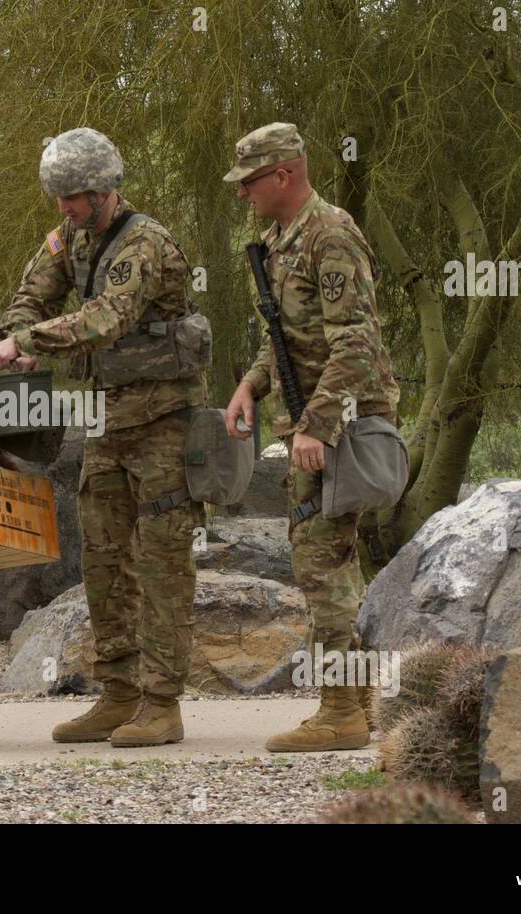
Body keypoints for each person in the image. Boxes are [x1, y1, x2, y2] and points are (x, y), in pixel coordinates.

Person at [0, 128, 209, 747]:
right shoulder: (69, 238)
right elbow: (30, 296)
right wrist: (19, 334)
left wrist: (29, 344)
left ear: (107, 190)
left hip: (164, 423)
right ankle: (119, 693)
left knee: (162, 562)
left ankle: (162, 703)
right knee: (104, 557)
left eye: (75, 197)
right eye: (59, 197)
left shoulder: (146, 243)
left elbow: (108, 317)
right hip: (105, 421)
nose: (65, 208)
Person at [223, 124, 401, 752]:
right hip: (312, 421)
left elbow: (355, 339)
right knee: (329, 561)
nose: (242, 193)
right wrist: (251, 384)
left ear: (283, 175)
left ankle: (340, 712)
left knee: (322, 565)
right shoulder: (276, 243)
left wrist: (318, 427)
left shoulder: (331, 234)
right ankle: (356, 704)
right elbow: (288, 337)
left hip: (339, 426)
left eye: (248, 182)